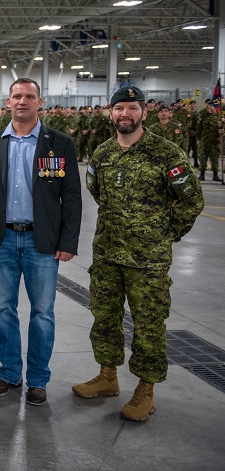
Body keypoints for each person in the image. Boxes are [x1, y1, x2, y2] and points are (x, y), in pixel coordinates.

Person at [73, 86, 204, 421]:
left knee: (148, 324)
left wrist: (164, 233)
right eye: (119, 108)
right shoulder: (102, 153)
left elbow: (191, 200)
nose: (125, 114)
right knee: (104, 317)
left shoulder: (166, 153)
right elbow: (97, 192)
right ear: (111, 112)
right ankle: (107, 377)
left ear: (144, 112)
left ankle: (146, 391)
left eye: (132, 108)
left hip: (148, 260)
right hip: (107, 253)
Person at [0, 78, 82, 406]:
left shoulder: (59, 143)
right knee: (3, 309)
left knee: (43, 312)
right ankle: (8, 373)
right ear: (8, 102)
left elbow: (71, 196)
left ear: (39, 102)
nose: (22, 101)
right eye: (17, 96)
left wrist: (68, 240)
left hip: (41, 241)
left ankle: (38, 379)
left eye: (29, 96)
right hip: (1, 238)